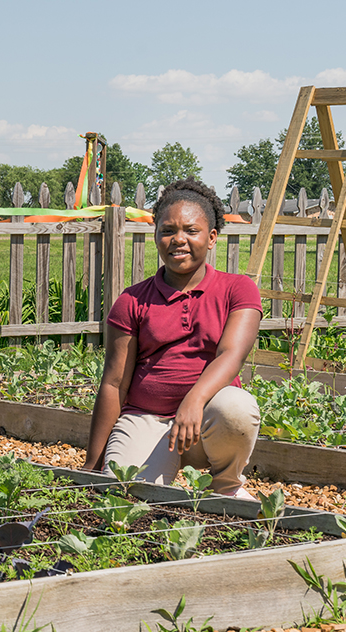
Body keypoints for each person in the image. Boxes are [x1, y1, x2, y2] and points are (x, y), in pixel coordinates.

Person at [84, 178, 262, 499]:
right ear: (156, 236)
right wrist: (91, 466)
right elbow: (114, 383)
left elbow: (231, 355)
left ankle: (226, 488)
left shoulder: (237, 289)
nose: (179, 239)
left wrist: (194, 401)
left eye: (191, 231)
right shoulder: (132, 300)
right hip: (147, 420)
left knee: (236, 407)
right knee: (124, 496)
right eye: (168, 230)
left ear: (211, 238)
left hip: (206, 423)